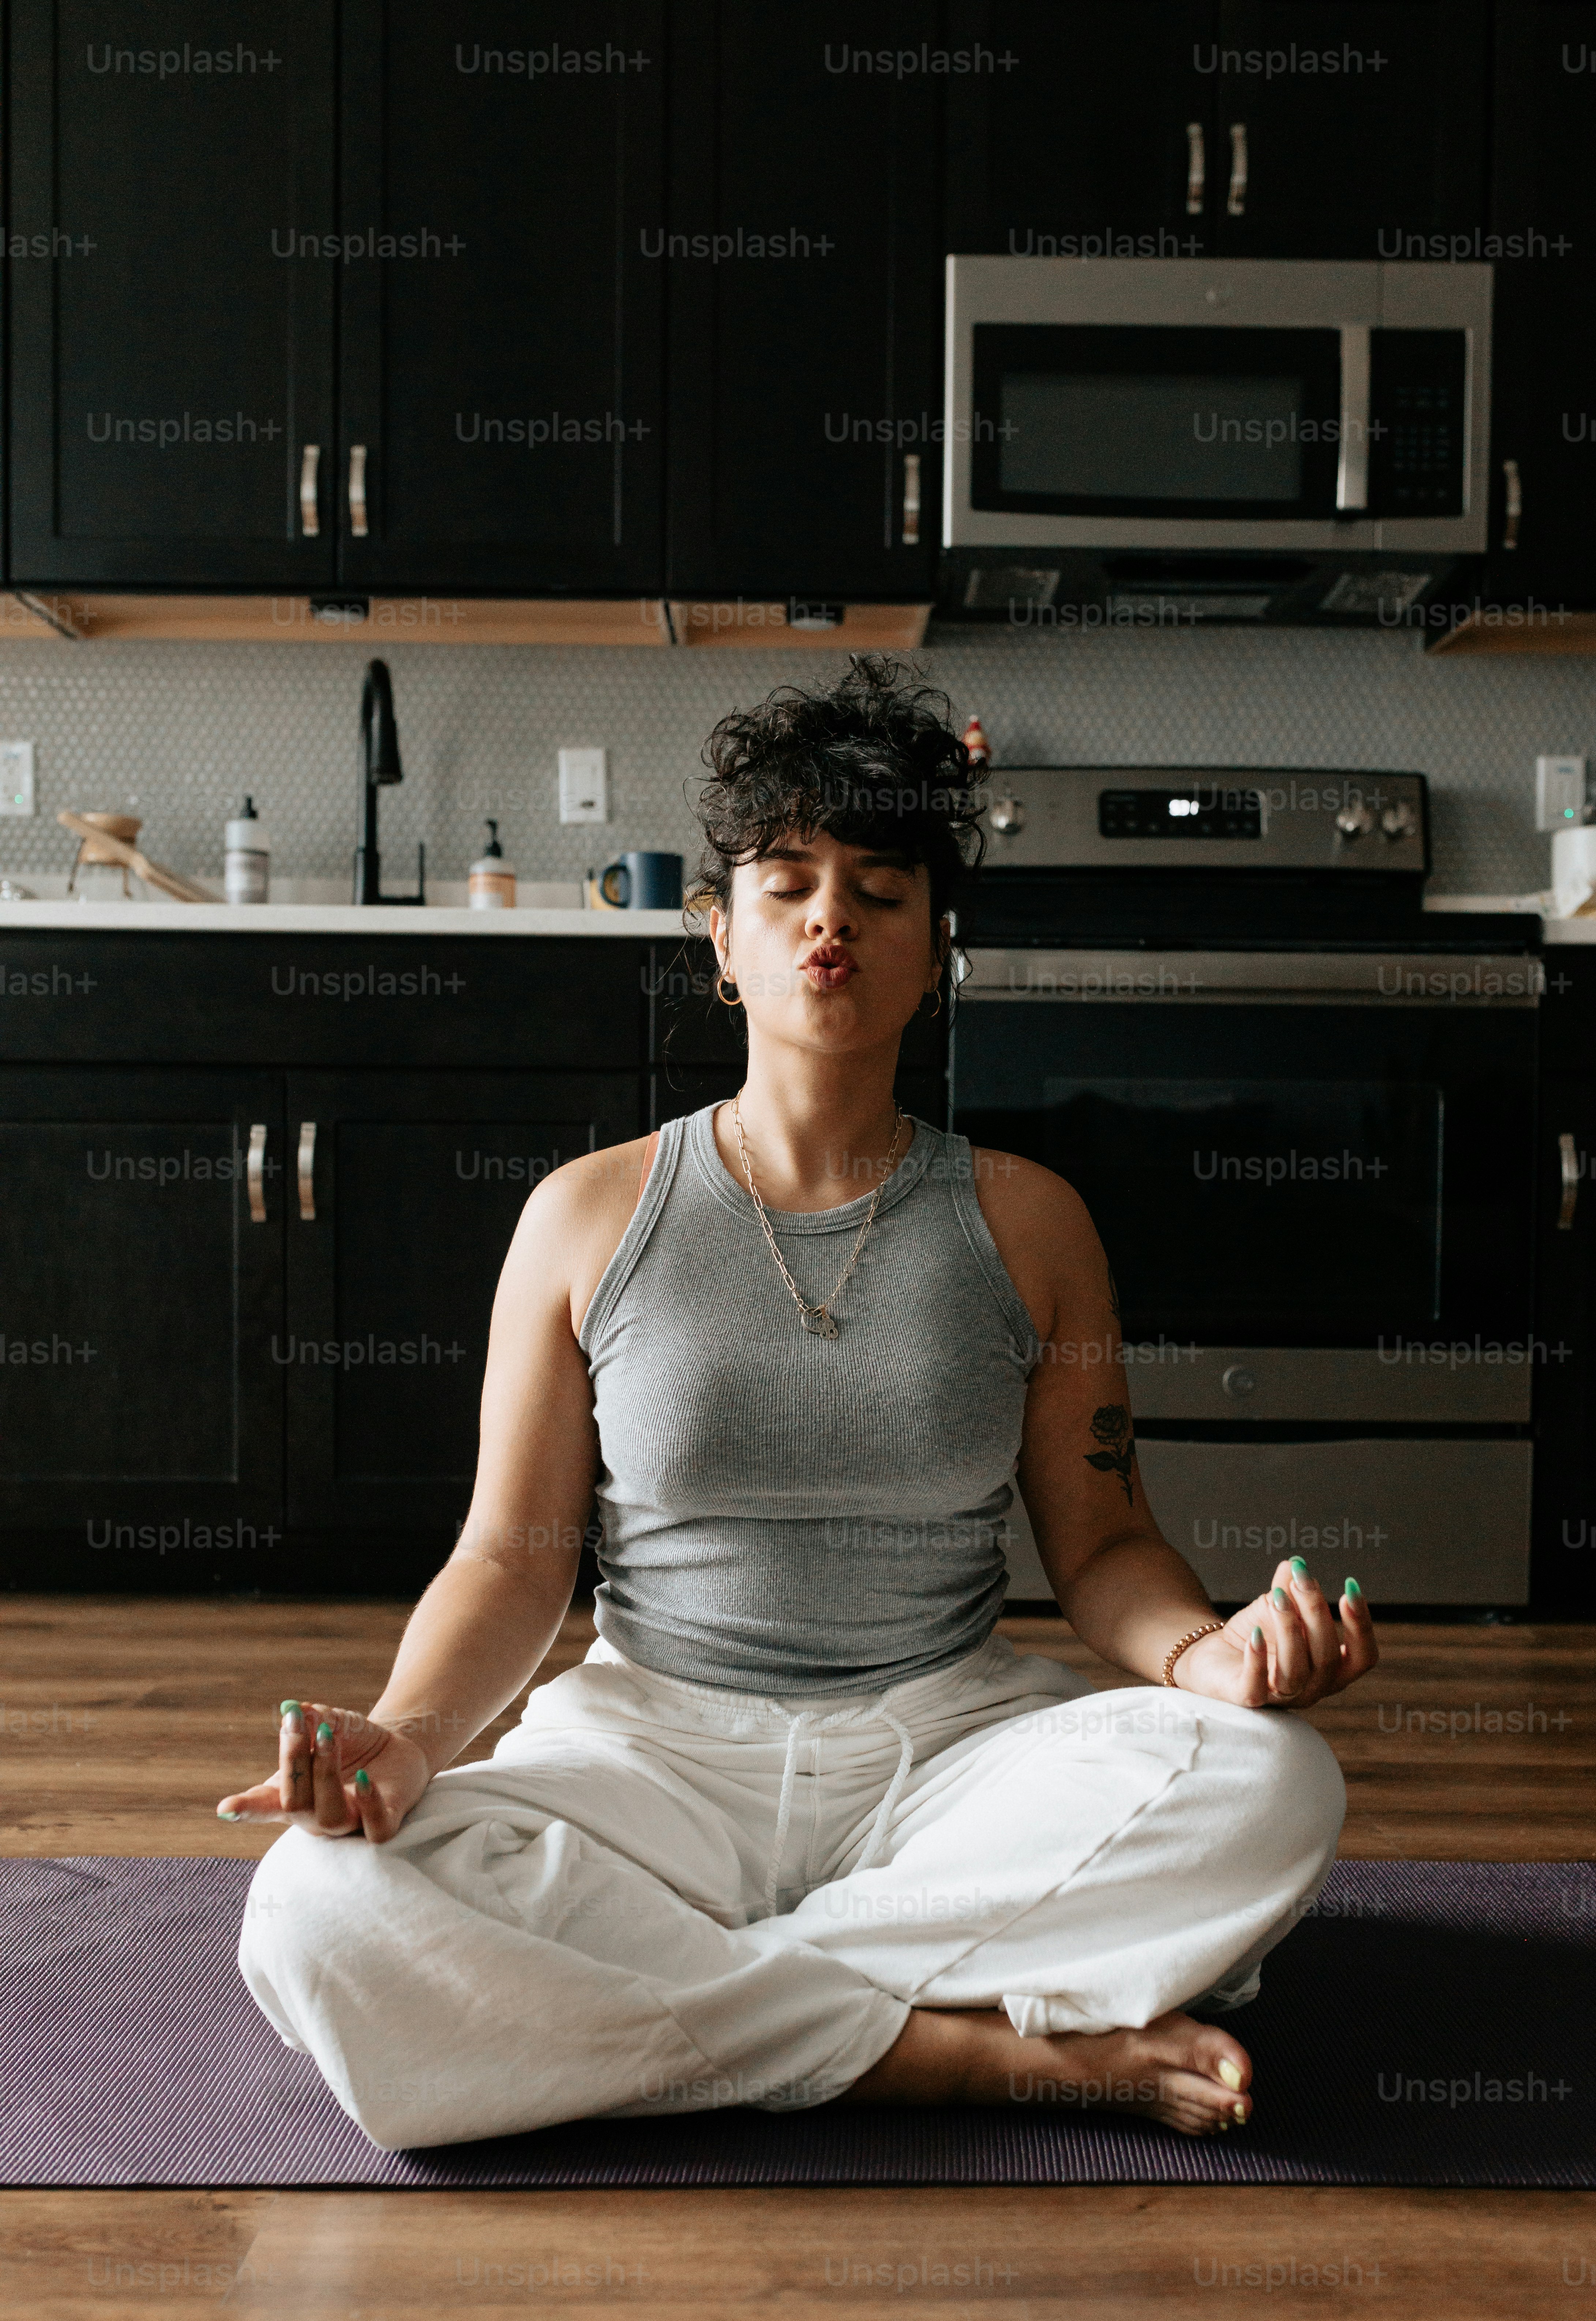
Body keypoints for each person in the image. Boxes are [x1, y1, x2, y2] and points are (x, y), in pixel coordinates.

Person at [222, 657, 1374, 2152]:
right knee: (313, 1907)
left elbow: (1099, 1551)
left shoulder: (1034, 1224)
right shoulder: (585, 1217)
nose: (831, 916)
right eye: (787, 881)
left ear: (933, 954)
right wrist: (408, 1736)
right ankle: (960, 2056)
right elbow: (512, 1559)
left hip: (948, 1752)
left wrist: (1210, 1657)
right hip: (652, 1751)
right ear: (723, 938)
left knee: (1275, 1783)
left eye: (881, 889)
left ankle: (683, 2004)